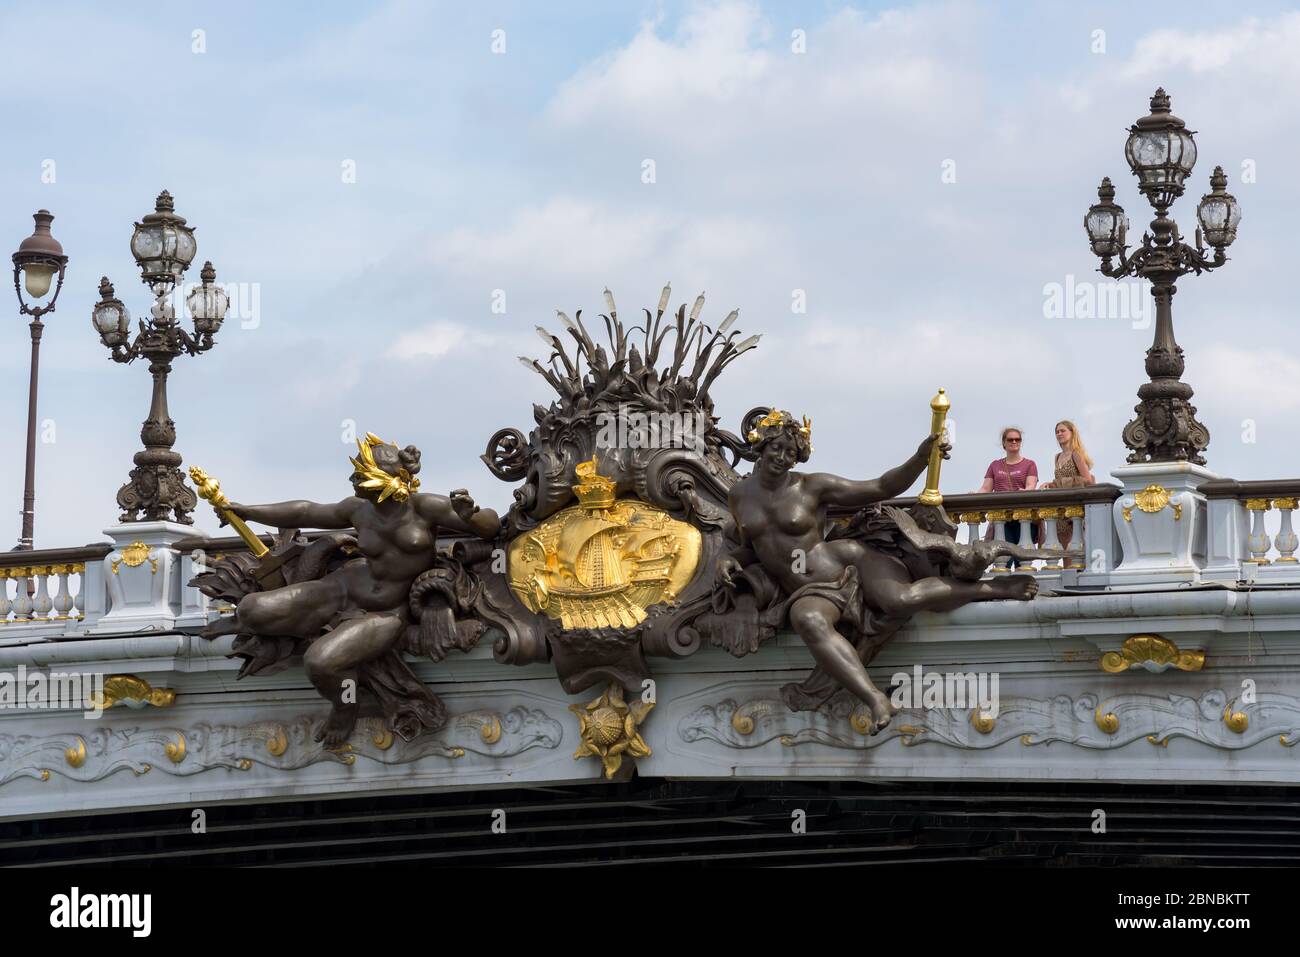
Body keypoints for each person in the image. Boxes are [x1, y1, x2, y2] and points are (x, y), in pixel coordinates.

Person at [717, 411, 1036, 734]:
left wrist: (920, 459)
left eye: (791, 452)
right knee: (807, 619)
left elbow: (881, 486)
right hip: (809, 590)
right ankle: (876, 699)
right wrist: (729, 559)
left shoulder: (812, 486)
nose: (783, 458)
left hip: (847, 563)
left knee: (899, 599)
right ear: (762, 445)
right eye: (777, 448)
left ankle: (994, 589)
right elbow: (752, 544)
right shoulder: (739, 496)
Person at [225, 433, 501, 747]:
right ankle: (319, 629)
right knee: (251, 610)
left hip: (388, 611)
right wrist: (246, 511)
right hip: (344, 587)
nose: (353, 481)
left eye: (361, 475)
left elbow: (492, 526)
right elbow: (305, 511)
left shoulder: (425, 507)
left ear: (384, 479)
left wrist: (471, 515)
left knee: (319, 662)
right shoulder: (359, 509)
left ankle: (345, 705)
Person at [1038, 419, 1095, 551]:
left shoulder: (1076, 454)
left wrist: (1056, 484)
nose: (1059, 434)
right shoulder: (1057, 457)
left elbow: (1088, 480)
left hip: (1074, 507)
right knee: (1064, 551)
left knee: (1076, 550)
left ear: (1072, 432)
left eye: (1063, 431)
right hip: (1060, 508)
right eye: (1057, 432)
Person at [976, 426, 1038, 546]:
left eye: (1017, 439)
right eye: (1010, 440)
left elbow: (1031, 486)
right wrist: (975, 495)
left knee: (1023, 559)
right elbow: (986, 488)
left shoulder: (1029, 464)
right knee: (1004, 558)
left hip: (1023, 515)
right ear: (1004, 443)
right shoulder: (995, 465)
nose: (1014, 442)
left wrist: (1024, 491)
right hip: (1002, 516)